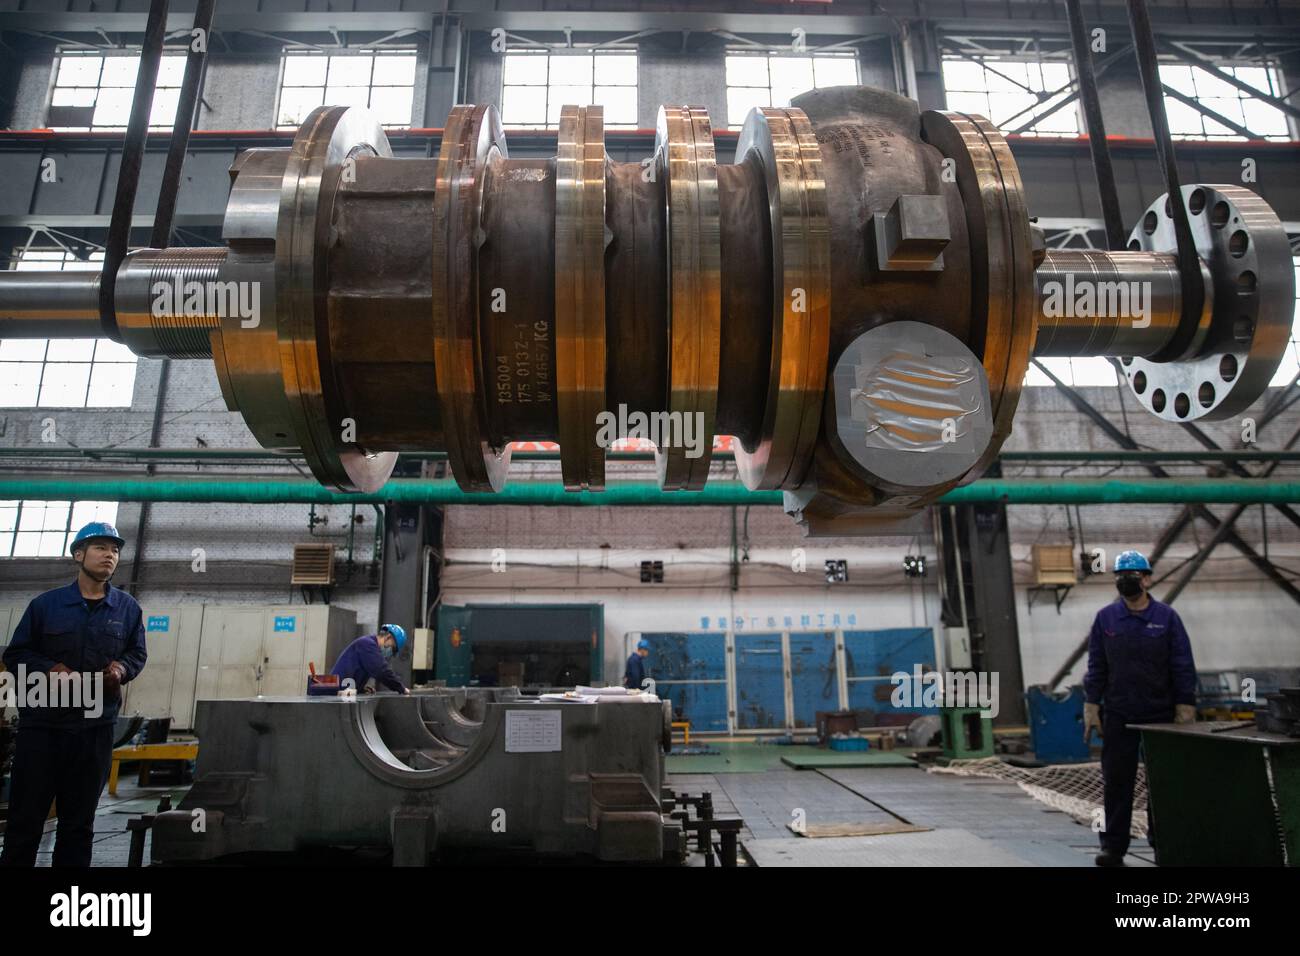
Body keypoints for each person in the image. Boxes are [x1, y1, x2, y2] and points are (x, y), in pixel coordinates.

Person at [0, 522, 147, 867]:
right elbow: (16, 654)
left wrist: (120, 670)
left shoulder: (127, 609)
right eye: (100, 547)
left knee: (78, 826)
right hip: (43, 728)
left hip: (94, 730)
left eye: (114, 550)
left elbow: (136, 655)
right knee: (25, 823)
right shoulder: (46, 605)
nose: (109, 555)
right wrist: (50, 669)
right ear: (78, 554)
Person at [1083, 549, 1197, 867]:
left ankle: (1164, 845)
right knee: (1117, 782)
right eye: (1120, 577)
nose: (1126, 582)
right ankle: (1113, 848)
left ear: (1147, 579)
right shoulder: (1106, 619)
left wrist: (1185, 704)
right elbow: (1097, 665)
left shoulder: (1166, 618)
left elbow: (1182, 663)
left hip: (1160, 717)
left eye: (1132, 576)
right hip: (1119, 715)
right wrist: (1092, 703)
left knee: (1162, 786)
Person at [330, 624, 409, 694]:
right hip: (332, 690)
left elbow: (355, 671)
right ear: (388, 637)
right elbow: (381, 671)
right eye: (393, 648)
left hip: (341, 689)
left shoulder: (370, 647)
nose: (391, 652)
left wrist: (359, 688)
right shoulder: (367, 644)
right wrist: (401, 688)